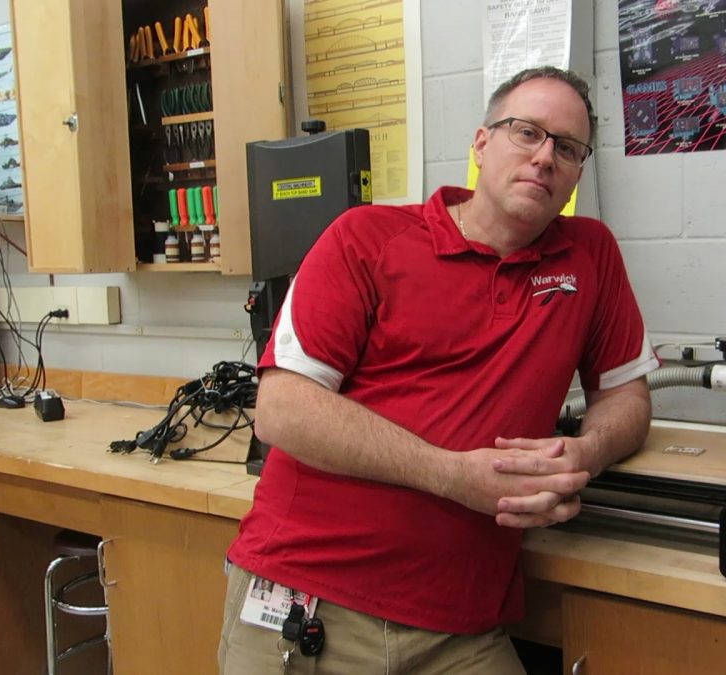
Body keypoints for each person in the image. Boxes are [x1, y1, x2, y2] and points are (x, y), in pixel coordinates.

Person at [218, 66, 659, 674]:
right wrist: (452, 475)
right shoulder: (366, 238)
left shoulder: (590, 255)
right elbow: (282, 409)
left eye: (568, 147)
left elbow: (627, 399)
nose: (545, 157)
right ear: (481, 143)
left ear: (579, 169)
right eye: (526, 132)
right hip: (313, 599)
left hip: (465, 627)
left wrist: (585, 455)